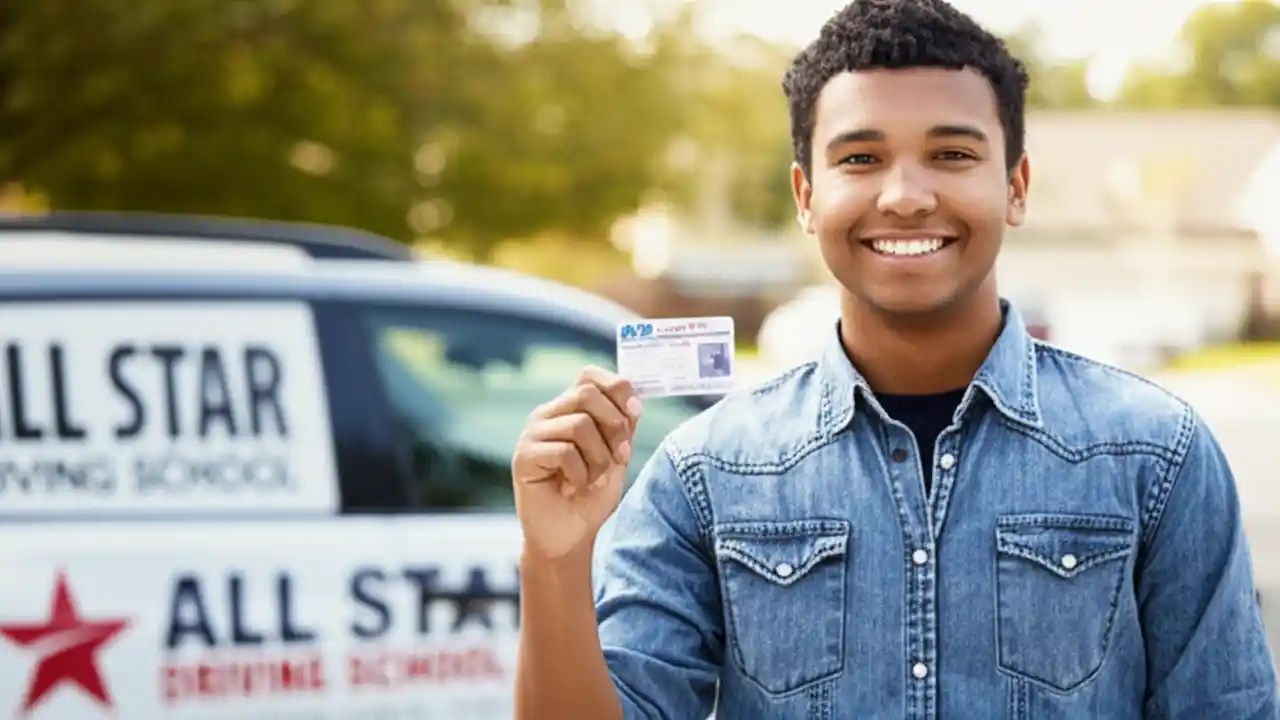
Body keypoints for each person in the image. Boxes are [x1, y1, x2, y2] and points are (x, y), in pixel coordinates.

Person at [510, 0, 1280, 717]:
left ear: (1015, 186)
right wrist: (555, 561)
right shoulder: (704, 473)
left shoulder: (1157, 453)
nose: (906, 195)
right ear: (806, 197)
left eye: (950, 153)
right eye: (861, 159)